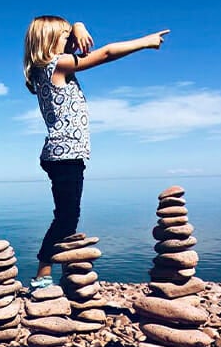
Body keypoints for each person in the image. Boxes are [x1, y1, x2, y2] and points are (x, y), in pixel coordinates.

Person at [23, 15, 169, 289]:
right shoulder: (56, 66)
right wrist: (147, 42)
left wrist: (77, 26)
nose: (71, 40)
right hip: (64, 154)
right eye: (65, 36)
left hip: (62, 154)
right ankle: (42, 274)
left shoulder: (45, 68)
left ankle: (66, 267)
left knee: (68, 215)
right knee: (66, 216)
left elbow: (79, 43)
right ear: (50, 39)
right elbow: (106, 53)